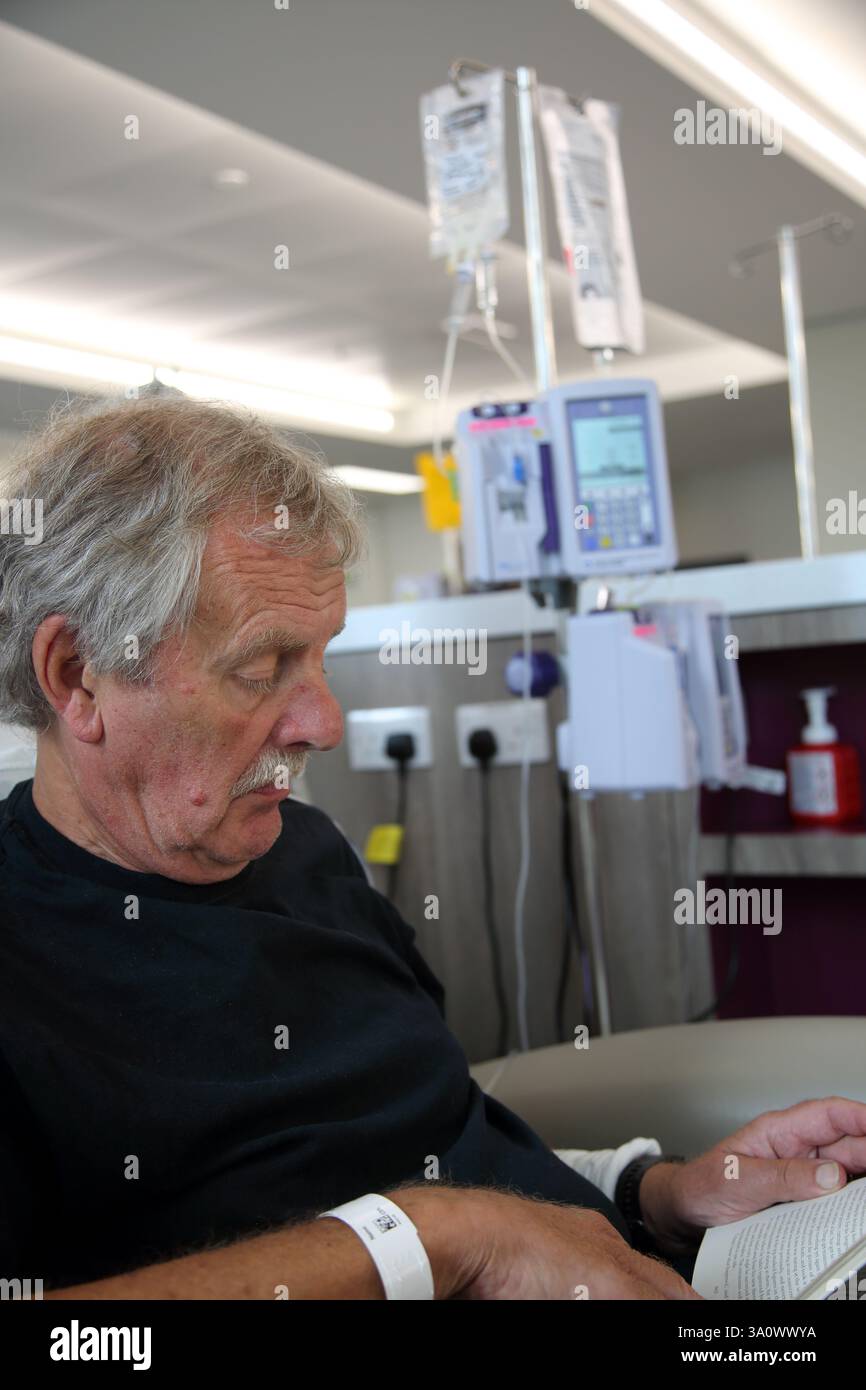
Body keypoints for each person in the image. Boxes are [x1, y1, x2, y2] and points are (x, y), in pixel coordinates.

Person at [1, 395, 863, 1301]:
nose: (322, 723)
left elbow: (441, 1138)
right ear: (78, 675)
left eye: (321, 660)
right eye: (260, 671)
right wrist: (444, 1238)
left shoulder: (306, 854)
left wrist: (655, 1193)